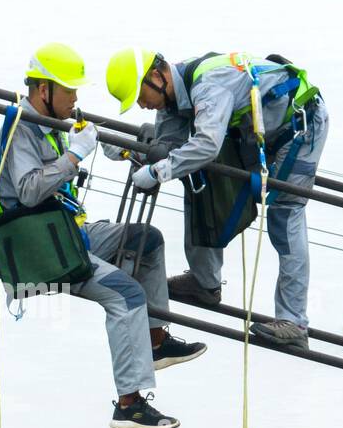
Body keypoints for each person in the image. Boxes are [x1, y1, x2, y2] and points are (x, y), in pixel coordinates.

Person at [0, 43, 206, 428]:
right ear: (44, 91)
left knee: (148, 240)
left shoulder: (56, 119)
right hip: (39, 247)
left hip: (65, 231)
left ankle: (155, 341)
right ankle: (129, 404)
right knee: (125, 293)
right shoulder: (21, 127)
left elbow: (92, 145)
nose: (75, 98)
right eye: (69, 90)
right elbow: (27, 191)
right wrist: (73, 157)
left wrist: (127, 152)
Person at [105, 48, 329, 348]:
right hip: (264, 130)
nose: (143, 105)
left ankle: (295, 322)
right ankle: (204, 283)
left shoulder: (208, 85)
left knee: (285, 214)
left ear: (157, 76)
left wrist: (157, 173)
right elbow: (168, 149)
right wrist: (127, 151)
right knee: (198, 180)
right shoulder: (173, 100)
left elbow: (207, 146)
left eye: (141, 96)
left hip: (300, 127)